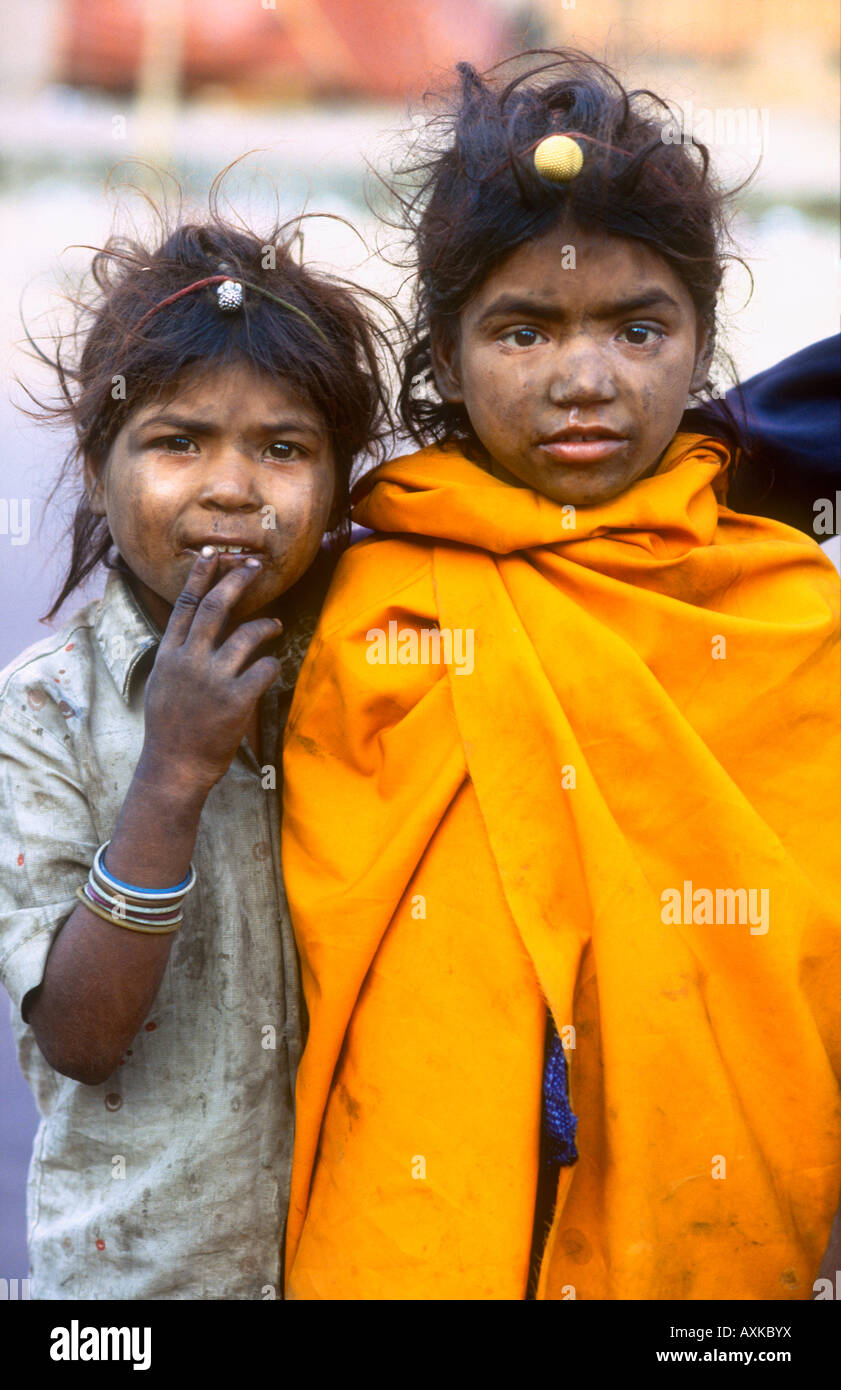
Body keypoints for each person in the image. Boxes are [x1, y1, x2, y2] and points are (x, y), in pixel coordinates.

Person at [280, 52, 841, 1300]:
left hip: (706, 1218)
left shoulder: (782, 613)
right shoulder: (368, 602)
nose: (583, 379)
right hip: (424, 1201)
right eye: (523, 329)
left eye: (636, 328)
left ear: (700, 340)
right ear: (446, 348)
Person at [0, 199, 391, 1299]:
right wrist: (171, 771)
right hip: (140, 1285)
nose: (230, 487)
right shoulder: (41, 716)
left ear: (336, 484)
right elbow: (80, 1035)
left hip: (361, 1257)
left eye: (283, 448)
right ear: (94, 465)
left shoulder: (380, 659)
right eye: (178, 442)